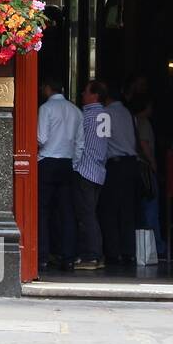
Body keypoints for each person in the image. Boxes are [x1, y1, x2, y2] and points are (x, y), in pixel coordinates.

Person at [37, 78, 82, 272]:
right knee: (67, 212)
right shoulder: (76, 110)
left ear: (48, 88)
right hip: (67, 164)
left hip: (47, 162)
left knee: (43, 212)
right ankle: (68, 257)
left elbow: (41, 138)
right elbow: (80, 143)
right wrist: (74, 163)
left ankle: (43, 256)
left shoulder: (46, 109)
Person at [71, 80, 109, 271]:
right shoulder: (105, 115)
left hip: (85, 169)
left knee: (86, 216)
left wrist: (74, 165)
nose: (82, 96)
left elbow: (77, 141)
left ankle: (91, 256)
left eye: (85, 92)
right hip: (99, 170)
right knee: (91, 214)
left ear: (94, 95)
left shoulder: (85, 115)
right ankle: (97, 255)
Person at [100, 85, 140, 266]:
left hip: (115, 165)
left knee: (109, 210)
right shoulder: (129, 114)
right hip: (132, 164)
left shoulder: (105, 114)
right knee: (128, 210)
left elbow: (102, 140)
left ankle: (113, 253)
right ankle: (129, 252)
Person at [133, 96, 167, 261]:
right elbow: (145, 145)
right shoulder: (143, 122)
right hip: (146, 169)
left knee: (142, 210)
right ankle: (156, 247)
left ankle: (143, 248)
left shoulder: (134, 120)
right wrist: (154, 164)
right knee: (151, 209)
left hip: (137, 167)